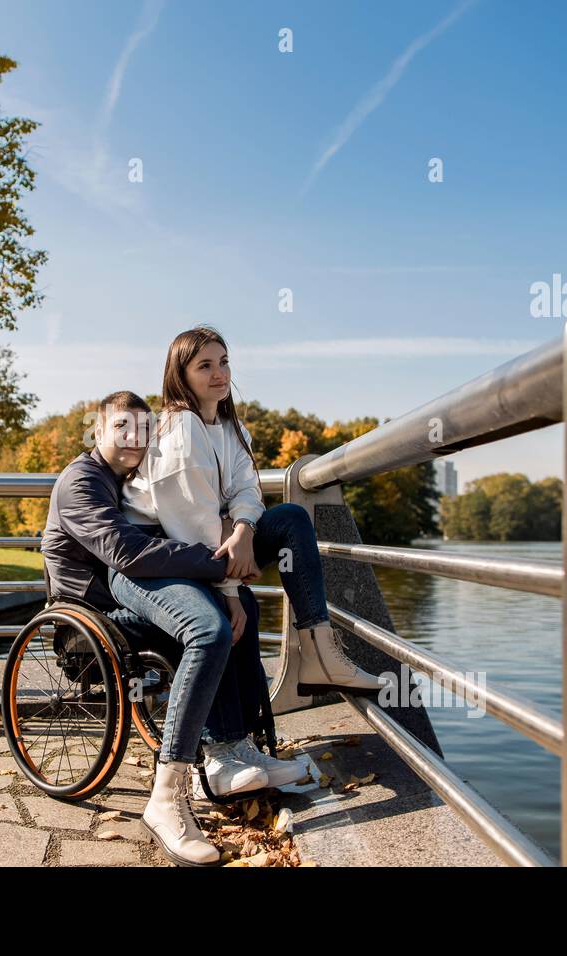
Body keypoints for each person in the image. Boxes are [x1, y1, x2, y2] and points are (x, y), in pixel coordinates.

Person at [114, 326, 387, 785]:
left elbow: (246, 489)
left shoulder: (230, 426)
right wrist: (232, 589)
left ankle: (320, 648)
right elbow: (188, 521)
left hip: (212, 537)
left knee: (292, 521)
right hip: (157, 548)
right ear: (180, 375)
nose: (220, 374)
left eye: (224, 362)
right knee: (227, 618)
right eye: (205, 365)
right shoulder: (177, 428)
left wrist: (242, 530)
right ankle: (224, 752)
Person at [41, 390, 286, 866]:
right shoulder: (81, 483)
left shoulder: (132, 481)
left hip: (125, 601)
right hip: (91, 618)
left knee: (242, 611)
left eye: (144, 428)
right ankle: (171, 792)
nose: (134, 437)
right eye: (121, 427)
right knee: (207, 627)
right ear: (97, 431)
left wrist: (231, 548)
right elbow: (126, 553)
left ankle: (235, 745)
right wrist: (218, 564)